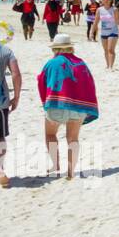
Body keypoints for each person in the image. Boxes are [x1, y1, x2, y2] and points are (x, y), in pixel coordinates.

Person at [37, 34, 98, 181]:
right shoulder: (81, 63)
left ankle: (56, 165)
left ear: (56, 49)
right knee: (73, 138)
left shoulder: (51, 63)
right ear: (70, 47)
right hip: (79, 106)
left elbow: (42, 81)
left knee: (50, 134)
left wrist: (45, 103)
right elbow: (89, 83)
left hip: (57, 105)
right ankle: (71, 172)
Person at [0, 39, 22, 188]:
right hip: (0, 102)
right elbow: (16, 74)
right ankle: (0, 168)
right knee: (0, 136)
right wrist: (16, 96)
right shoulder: (6, 51)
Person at [96, 0, 119, 70]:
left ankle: (111, 66)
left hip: (113, 32)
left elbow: (118, 20)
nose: (105, 0)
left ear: (111, 0)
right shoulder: (99, 10)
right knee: (105, 50)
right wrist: (92, 32)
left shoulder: (114, 9)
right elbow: (96, 21)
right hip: (104, 32)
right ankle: (107, 65)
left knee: (110, 49)